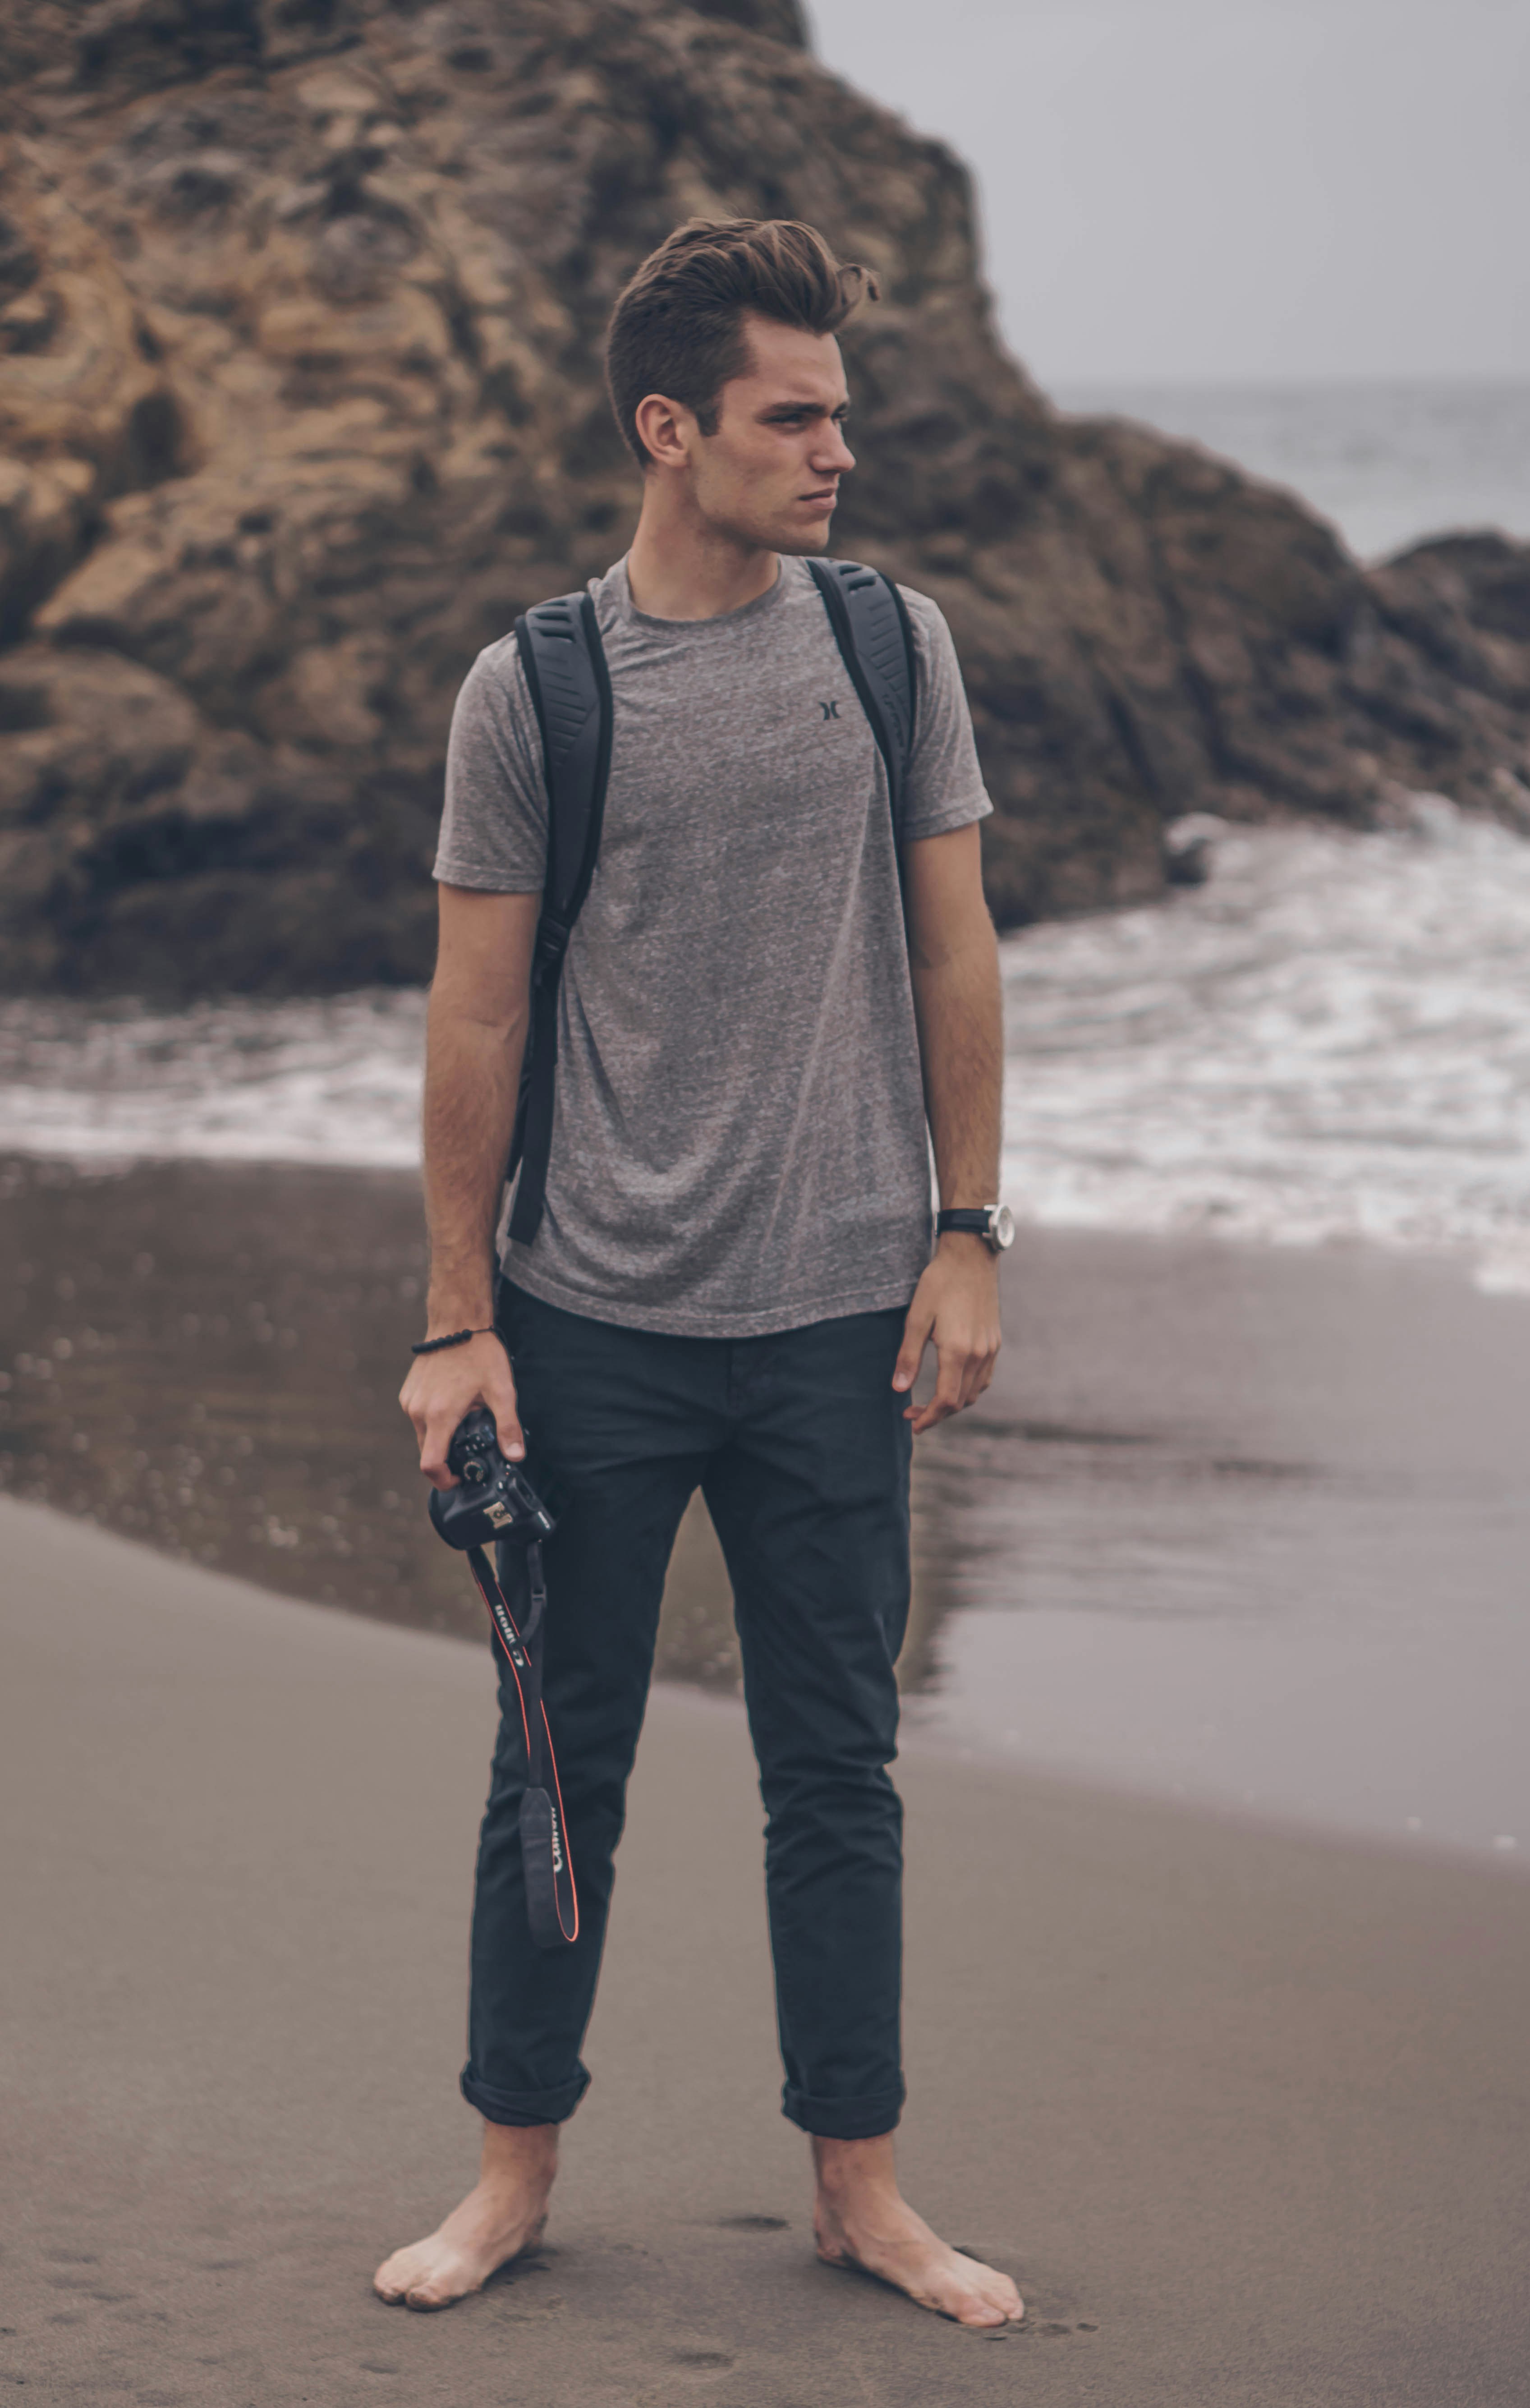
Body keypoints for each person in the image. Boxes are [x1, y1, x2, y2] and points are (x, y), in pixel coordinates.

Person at [373, 218, 1022, 2329]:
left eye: (842, 409)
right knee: (556, 1762)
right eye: (793, 415)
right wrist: (459, 1322)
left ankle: (861, 2188)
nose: (839, 447)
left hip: (844, 1311)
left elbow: (954, 947)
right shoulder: (535, 688)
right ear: (672, 430)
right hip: (592, 1320)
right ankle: (508, 2177)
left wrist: (966, 1231)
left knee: (837, 1765)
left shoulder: (890, 646)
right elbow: (473, 1019)